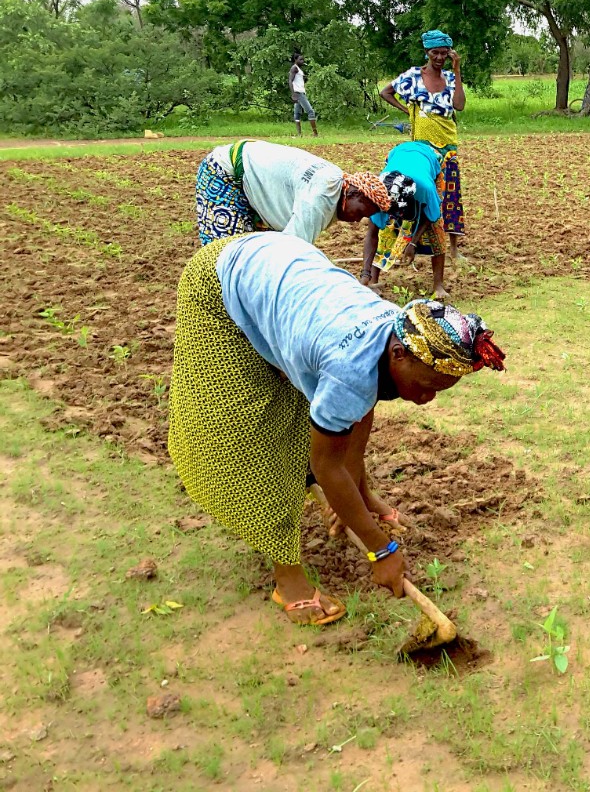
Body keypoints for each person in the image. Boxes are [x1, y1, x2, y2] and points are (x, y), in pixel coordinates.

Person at [167, 232, 505, 625]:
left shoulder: (398, 331)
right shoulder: (352, 369)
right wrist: (381, 550)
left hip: (276, 267)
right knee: (263, 434)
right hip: (220, 285)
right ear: (398, 355)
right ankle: (287, 580)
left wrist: (359, 501)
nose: (428, 400)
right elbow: (329, 464)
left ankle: (341, 504)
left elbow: (356, 425)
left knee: (310, 416)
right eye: (427, 387)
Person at [194, 139, 391, 246]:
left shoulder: (336, 178)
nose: (358, 221)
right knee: (228, 253)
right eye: (361, 213)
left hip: (253, 178)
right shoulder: (320, 198)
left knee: (256, 249)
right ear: (353, 194)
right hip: (225, 172)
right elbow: (292, 249)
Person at [378, 31, 467, 262]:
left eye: (443, 53)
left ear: (449, 54)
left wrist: (457, 70)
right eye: (434, 52)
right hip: (422, 149)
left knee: (450, 198)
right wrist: (406, 110)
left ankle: (453, 250)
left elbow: (459, 105)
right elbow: (385, 92)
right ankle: (411, 245)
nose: (439, 57)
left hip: (448, 147)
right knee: (421, 197)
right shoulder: (413, 76)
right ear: (427, 52)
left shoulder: (449, 77)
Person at [358, 142, 450, 300]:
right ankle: (372, 279)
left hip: (430, 157)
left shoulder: (425, 189)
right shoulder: (379, 196)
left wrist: (413, 243)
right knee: (387, 229)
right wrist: (364, 275)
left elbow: (431, 215)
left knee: (436, 228)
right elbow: (372, 234)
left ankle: (438, 285)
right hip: (396, 154)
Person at [289, 53, 318, 137]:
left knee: (297, 114)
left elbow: (298, 80)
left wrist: (304, 78)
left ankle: (299, 134)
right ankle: (315, 134)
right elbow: (290, 81)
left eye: (303, 59)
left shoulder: (299, 69)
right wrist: (293, 94)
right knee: (310, 111)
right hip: (299, 93)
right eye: (300, 59)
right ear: (295, 59)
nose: (302, 61)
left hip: (300, 92)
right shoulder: (294, 68)